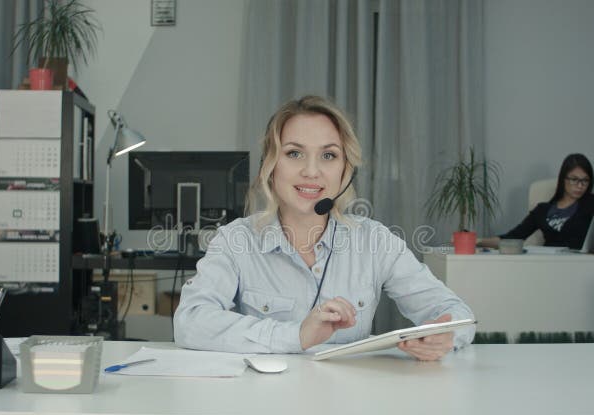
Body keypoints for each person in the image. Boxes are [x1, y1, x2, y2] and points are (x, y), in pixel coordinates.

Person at [174, 95, 475, 361]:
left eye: (328, 155)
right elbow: (190, 322)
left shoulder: (374, 241)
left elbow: (456, 313)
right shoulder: (235, 240)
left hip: (349, 412)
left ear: (346, 169)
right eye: (294, 153)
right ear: (270, 164)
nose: (311, 171)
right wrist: (297, 336)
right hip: (264, 410)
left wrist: (444, 336)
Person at [479, 153, 594, 249]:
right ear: (563, 179)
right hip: (548, 264)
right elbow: (513, 237)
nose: (580, 185)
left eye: (585, 180)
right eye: (574, 179)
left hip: (580, 264)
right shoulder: (543, 210)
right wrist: (477, 241)